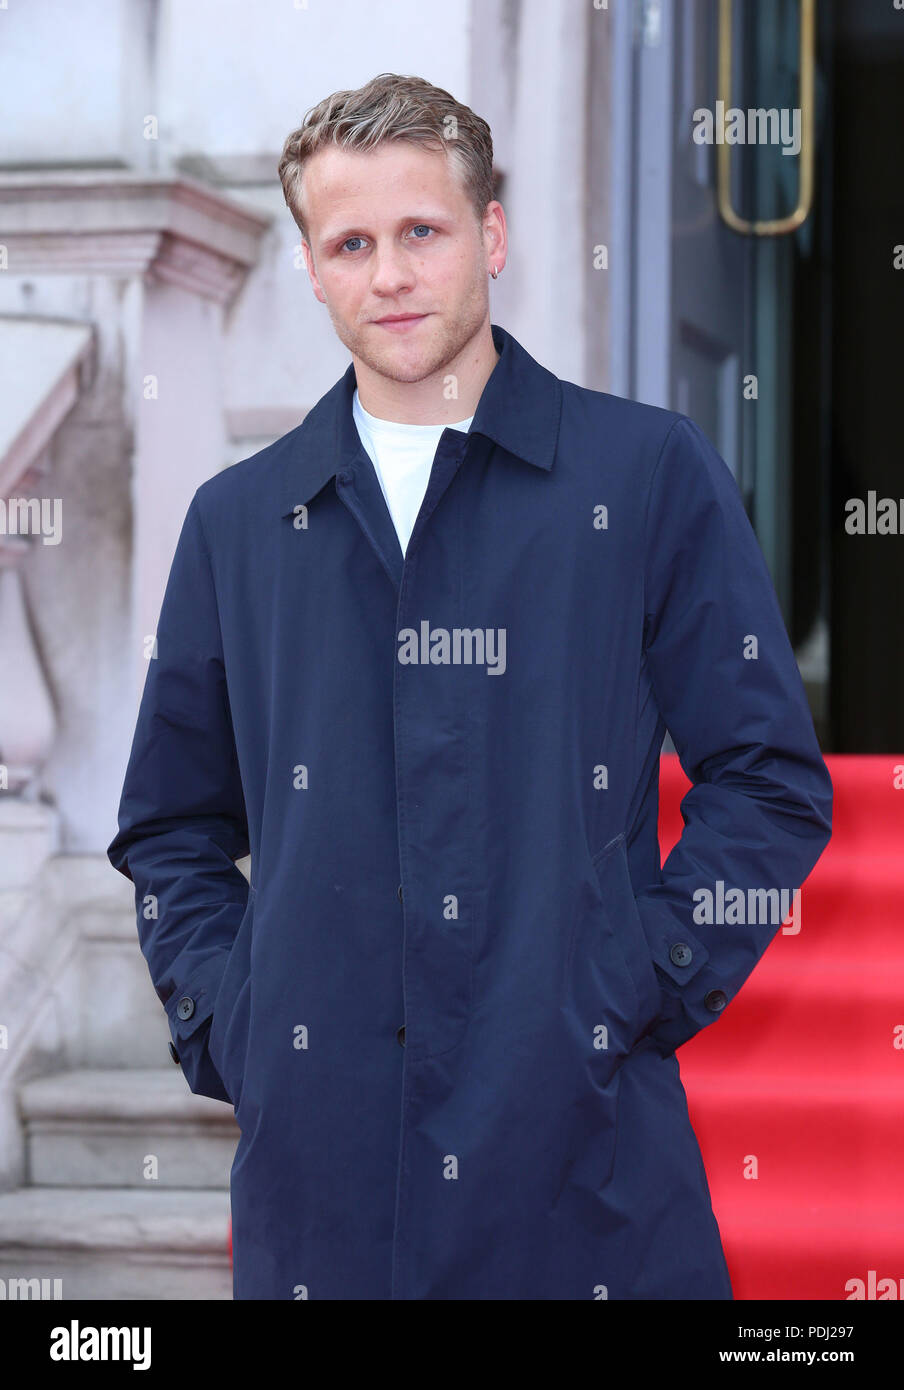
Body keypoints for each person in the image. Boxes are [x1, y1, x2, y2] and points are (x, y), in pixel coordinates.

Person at [107, 72, 833, 1300]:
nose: (388, 273)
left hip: (580, 1176)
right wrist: (232, 1019)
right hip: (321, 1194)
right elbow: (172, 825)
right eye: (351, 243)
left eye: (421, 232)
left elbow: (767, 780)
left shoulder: (645, 472)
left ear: (490, 234)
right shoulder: (238, 521)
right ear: (311, 267)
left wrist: (629, 980)